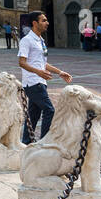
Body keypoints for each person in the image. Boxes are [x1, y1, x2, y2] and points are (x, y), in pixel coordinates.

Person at [17, 10, 73, 143]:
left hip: (40, 81)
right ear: (34, 23)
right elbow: (21, 62)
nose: (47, 23)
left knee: (33, 116)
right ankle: (45, 142)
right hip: (33, 83)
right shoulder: (27, 40)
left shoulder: (41, 40)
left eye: (46, 20)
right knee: (50, 110)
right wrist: (38, 72)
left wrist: (59, 72)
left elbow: (43, 63)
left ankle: (26, 143)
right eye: (44, 20)